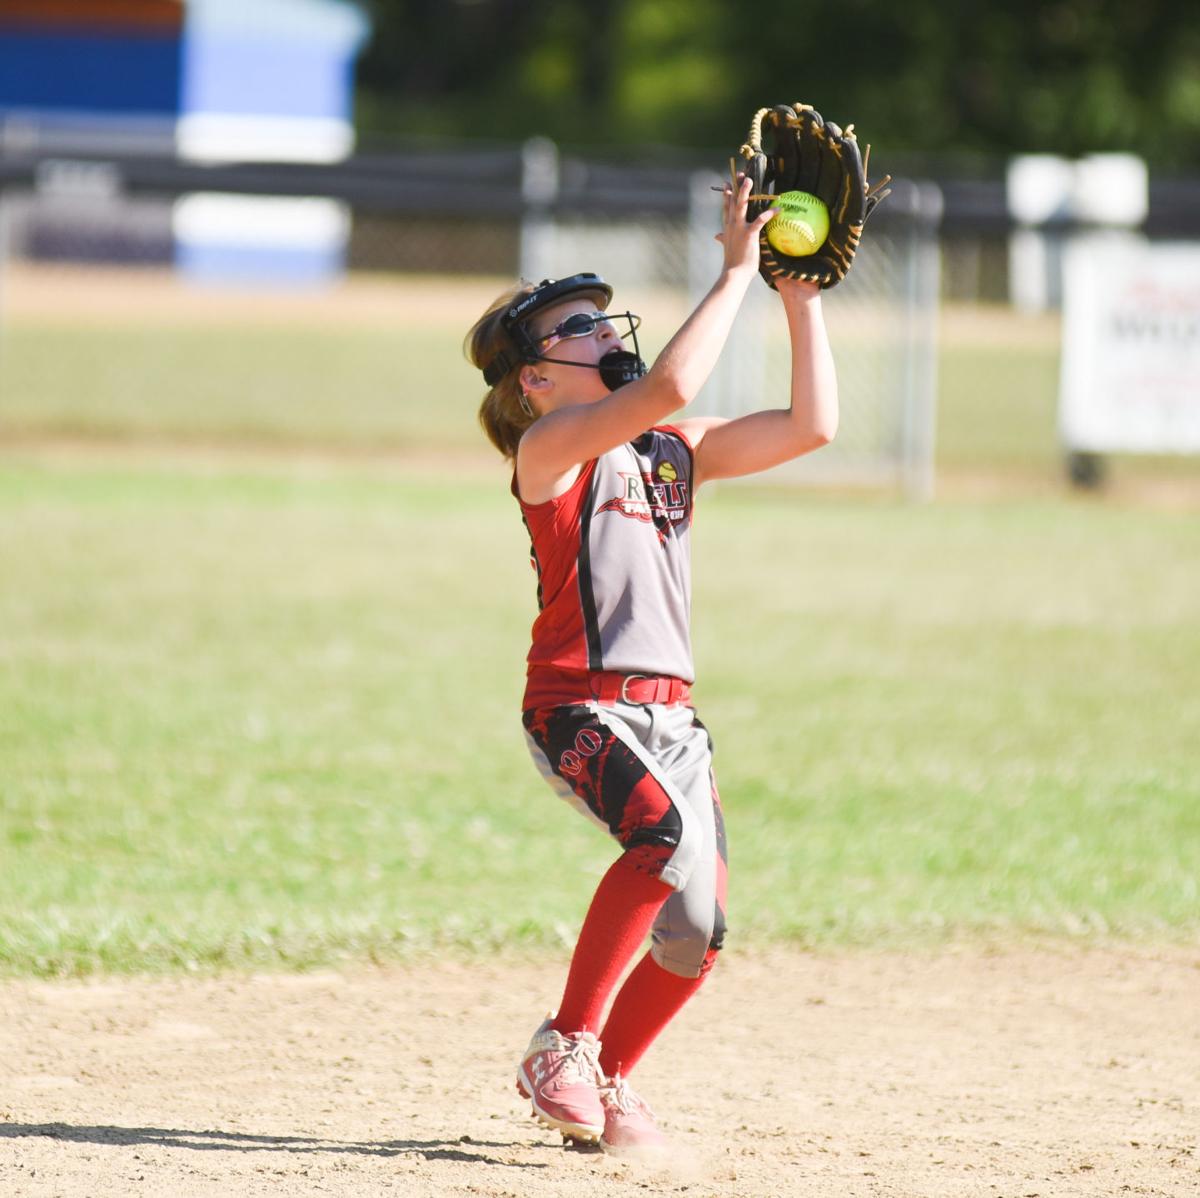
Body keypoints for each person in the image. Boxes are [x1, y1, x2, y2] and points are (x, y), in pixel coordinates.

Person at [464, 175, 838, 1154]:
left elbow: (811, 426)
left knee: (697, 927)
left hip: (674, 717)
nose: (600, 330)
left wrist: (798, 306)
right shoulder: (551, 450)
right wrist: (736, 271)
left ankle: (612, 1075)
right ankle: (564, 1043)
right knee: (663, 839)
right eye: (575, 329)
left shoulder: (673, 451)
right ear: (534, 381)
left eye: (597, 316)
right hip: (578, 706)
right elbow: (670, 384)